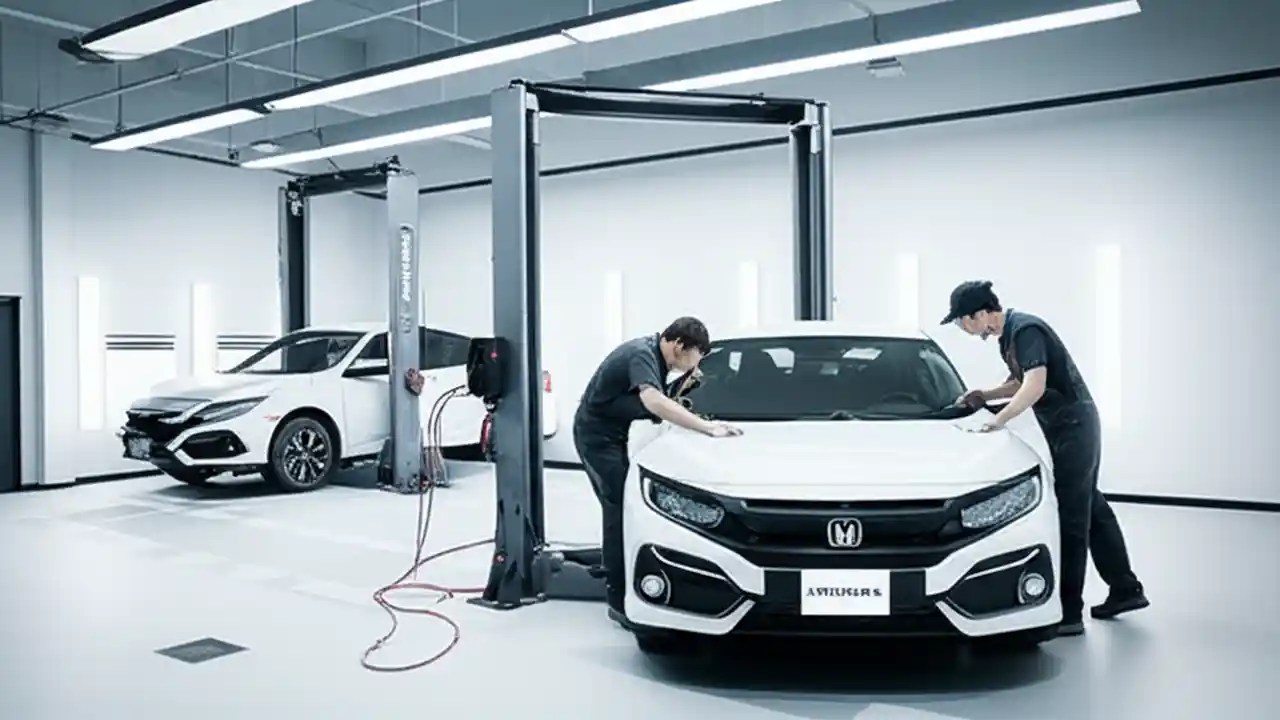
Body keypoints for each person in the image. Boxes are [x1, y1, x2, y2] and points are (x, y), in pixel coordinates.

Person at [942, 280, 1149, 637]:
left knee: (1072, 514)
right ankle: (1126, 589)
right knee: (1092, 507)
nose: (962, 329)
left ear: (979, 314)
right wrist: (983, 395)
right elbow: (1018, 382)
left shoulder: (1026, 329)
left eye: (962, 321)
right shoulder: (1009, 337)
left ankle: (1069, 613)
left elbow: (1034, 386)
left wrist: (998, 420)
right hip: (1064, 427)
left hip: (1075, 425)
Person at [573, 316, 743, 617]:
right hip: (596, 438)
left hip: (614, 435)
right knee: (619, 510)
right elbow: (653, 401)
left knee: (622, 507)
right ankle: (618, 598)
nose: (695, 365)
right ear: (679, 345)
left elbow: (661, 402)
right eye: (695, 357)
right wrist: (706, 427)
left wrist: (685, 383)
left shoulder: (657, 356)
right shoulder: (641, 354)